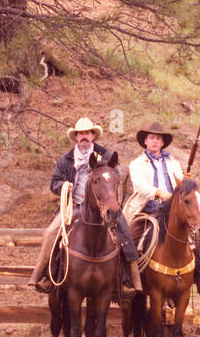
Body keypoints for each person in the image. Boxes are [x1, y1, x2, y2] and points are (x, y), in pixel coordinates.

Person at [26, 117, 142, 295]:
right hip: (73, 205)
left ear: (93, 135)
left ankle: (130, 280)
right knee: (51, 232)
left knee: (124, 233)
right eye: (80, 134)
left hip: (102, 206)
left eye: (87, 133)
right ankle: (43, 275)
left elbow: (115, 178)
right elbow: (54, 183)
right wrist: (64, 186)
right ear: (76, 137)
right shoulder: (66, 159)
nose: (84, 137)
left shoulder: (106, 156)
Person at [122, 121, 200, 301]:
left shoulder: (171, 161)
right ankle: (127, 282)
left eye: (158, 139)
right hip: (147, 211)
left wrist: (185, 181)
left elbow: (179, 184)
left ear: (162, 143)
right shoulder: (137, 164)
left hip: (172, 213)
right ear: (145, 141)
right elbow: (140, 186)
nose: (155, 141)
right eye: (151, 138)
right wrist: (159, 193)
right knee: (130, 242)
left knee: (195, 244)